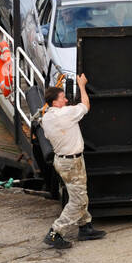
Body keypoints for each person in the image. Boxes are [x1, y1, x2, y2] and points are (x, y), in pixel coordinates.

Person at [40, 72, 107, 249]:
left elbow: (47, 135)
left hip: (61, 161)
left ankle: (85, 226)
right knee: (78, 199)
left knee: (79, 192)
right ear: (55, 102)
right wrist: (82, 86)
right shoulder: (66, 114)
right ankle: (55, 232)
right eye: (63, 98)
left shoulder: (46, 118)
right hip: (73, 162)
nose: (66, 101)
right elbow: (85, 106)